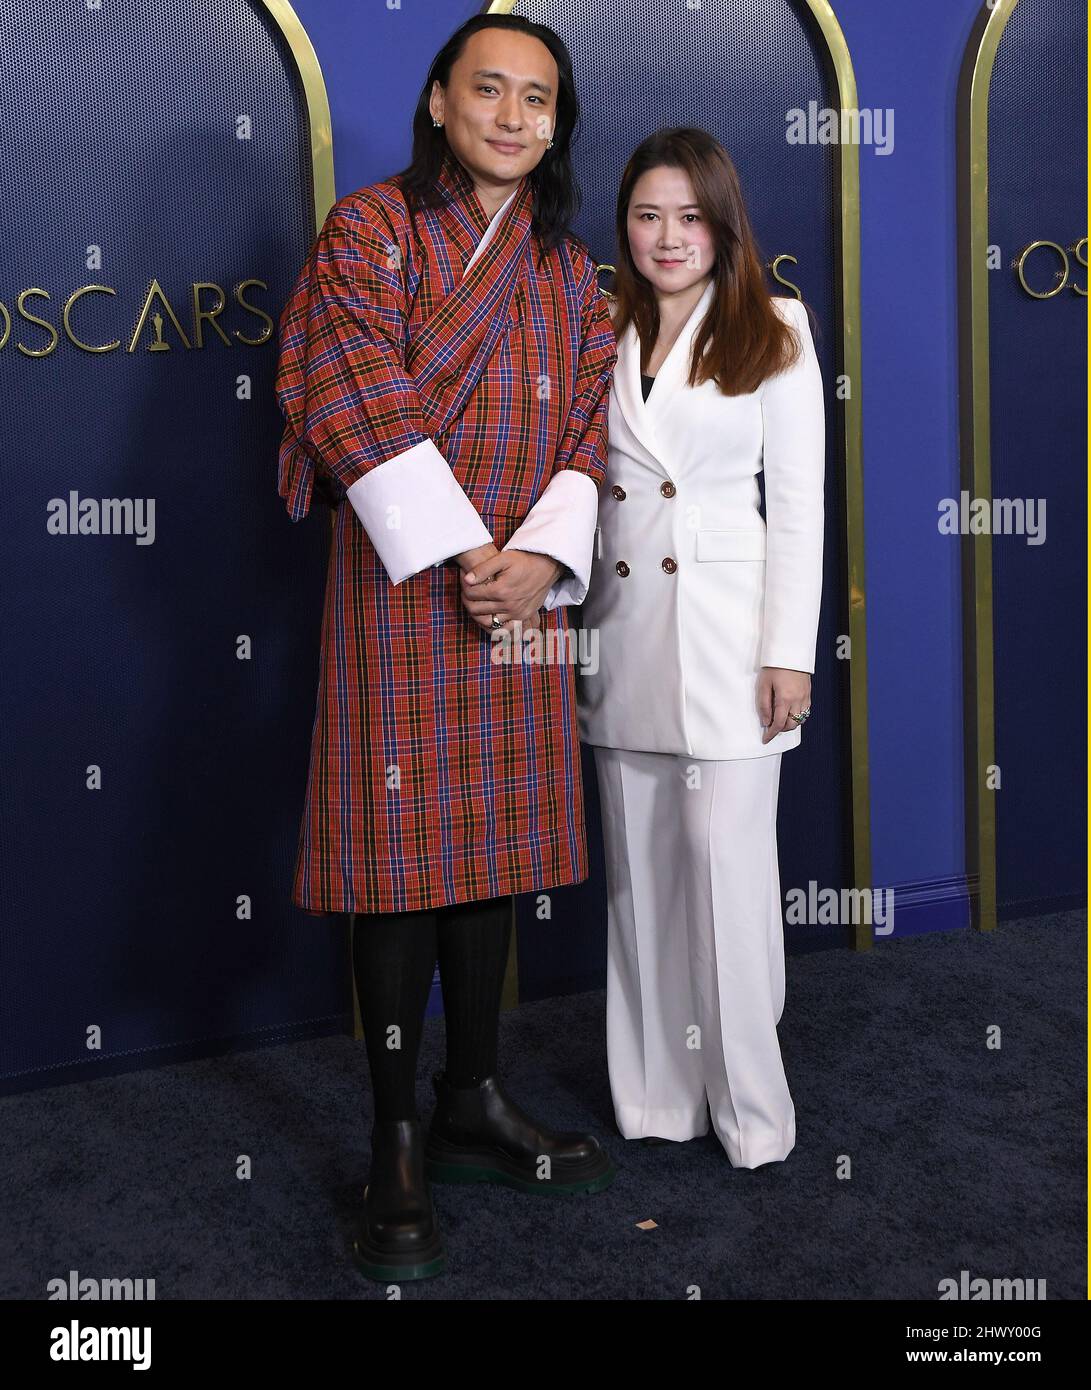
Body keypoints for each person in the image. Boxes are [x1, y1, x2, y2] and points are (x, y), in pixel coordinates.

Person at [274, 14, 618, 1282]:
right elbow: (346, 378)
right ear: (436, 102)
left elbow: (591, 425)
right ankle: (394, 1139)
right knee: (398, 861)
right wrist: (469, 551)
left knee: (490, 853)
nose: (514, 116)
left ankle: (472, 1094)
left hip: (523, 594)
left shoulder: (572, 271)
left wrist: (540, 558)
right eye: (490, 89)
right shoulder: (369, 230)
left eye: (538, 99)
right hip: (402, 582)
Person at [578, 128, 825, 1170]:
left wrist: (789, 653)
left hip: (731, 647)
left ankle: (752, 1118)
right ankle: (654, 1101)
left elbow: (798, 506)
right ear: (623, 224)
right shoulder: (594, 325)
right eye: (646, 214)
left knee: (724, 881)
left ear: (721, 223)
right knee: (639, 887)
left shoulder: (774, 325)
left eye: (687, 216)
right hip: (620, 639)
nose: (666, 236)